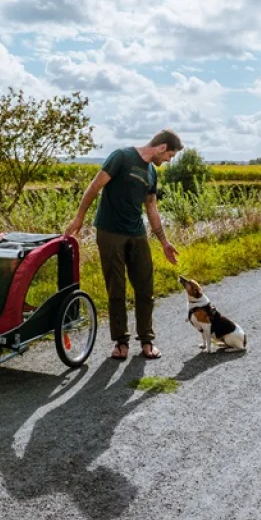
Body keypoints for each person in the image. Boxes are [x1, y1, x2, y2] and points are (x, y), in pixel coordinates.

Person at [64, 130, 182, 360]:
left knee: (145, 288)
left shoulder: (151, 173)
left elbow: (152, 208)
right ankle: (121, 342)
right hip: (110, 232)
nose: (169, 160)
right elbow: (94, 187)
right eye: (170, 155)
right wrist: (79, 217)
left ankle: (147, 341)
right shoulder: (121, 156)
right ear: (161, 147)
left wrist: (165, 242)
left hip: (136, 233)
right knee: (116, 288)